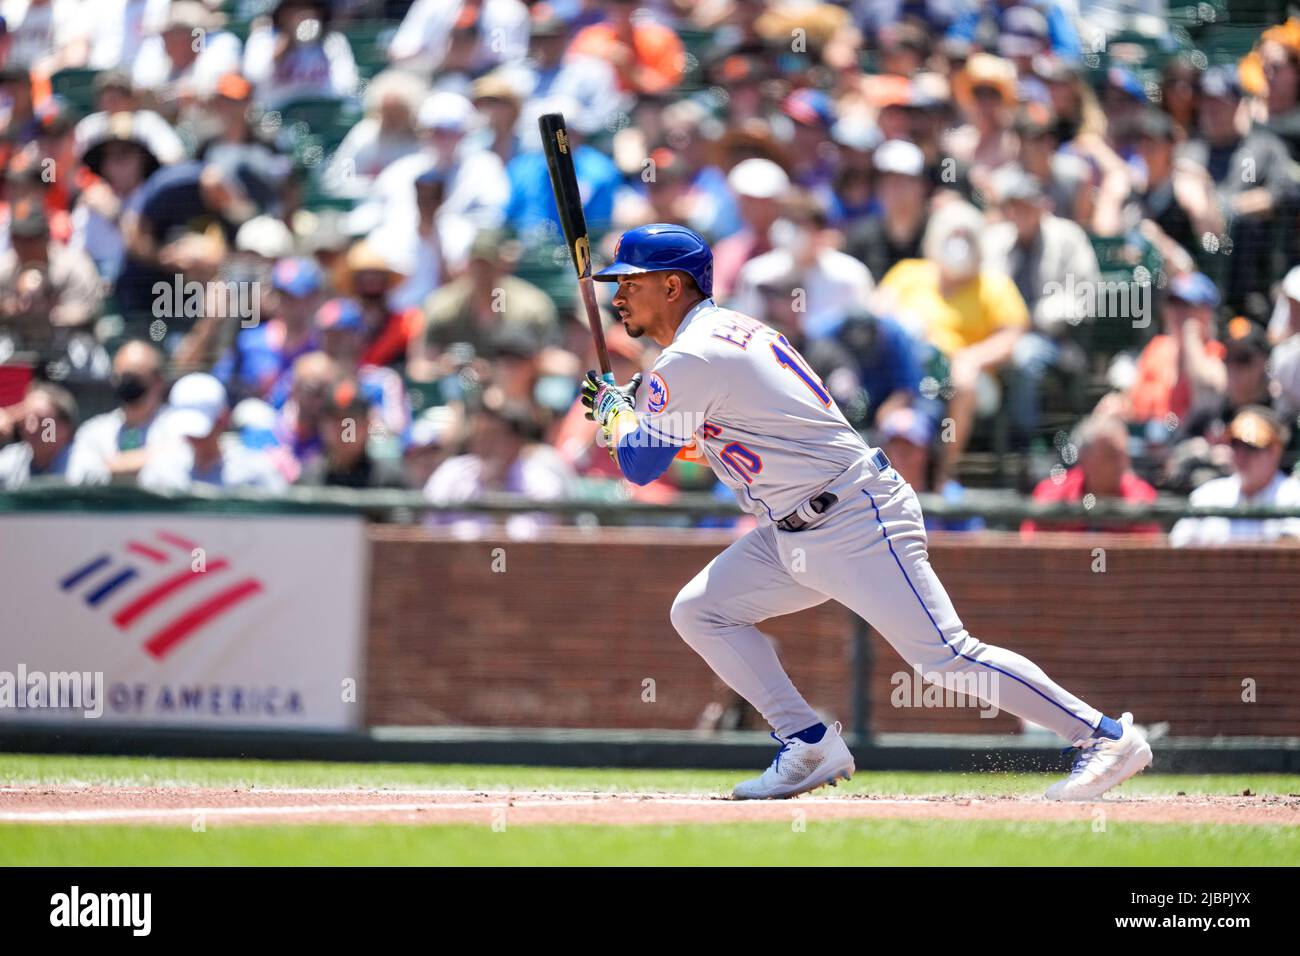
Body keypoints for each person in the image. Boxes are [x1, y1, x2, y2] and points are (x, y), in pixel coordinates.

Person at [581, 222, 1152, 801]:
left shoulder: (691, 356)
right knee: (701, 611)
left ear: (674, 286)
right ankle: (806, 742)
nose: (619, 296)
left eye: (631, 282)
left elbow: (639, 465)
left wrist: (616, 414)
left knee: (946, 657)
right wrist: (628, 416)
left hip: (853, 515)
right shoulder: (727, 334)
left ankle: (1103, 737)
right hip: (795, 529)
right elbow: (718, 445)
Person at [1169, 406, 1300, 547]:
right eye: (1235, 444)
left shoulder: (1294, 496)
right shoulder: (1207, 495)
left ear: (1275, 451)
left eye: (1251, 447)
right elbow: (1176, 546)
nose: (1241, 455)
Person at [139, 373, 286, 491]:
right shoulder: (161, 470)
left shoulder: (255, 471)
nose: (192, 438)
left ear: (222, 420)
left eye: (199, 432)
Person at [1022, 415, 1159, 536]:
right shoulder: (1054, 494)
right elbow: (1030, 545)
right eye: (1111, 456)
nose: (1122, 464)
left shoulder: (1141, 496)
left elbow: (1147, 553)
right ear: (1084, 458)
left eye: (1124, 455)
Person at [66, 339, 173, 483]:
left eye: (134, 377)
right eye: (120, 377)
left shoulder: (177, 426)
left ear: (158, 381)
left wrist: (108, 466)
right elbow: (82, 475)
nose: (126, 383)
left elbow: (175, 470)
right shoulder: (94, 430)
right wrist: (150, 458)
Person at [0, 382, 105, 487]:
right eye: (27, 419)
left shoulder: (88, 470)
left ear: (66, 427)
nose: (30, 428)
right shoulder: (12, 459)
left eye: (42, 421)